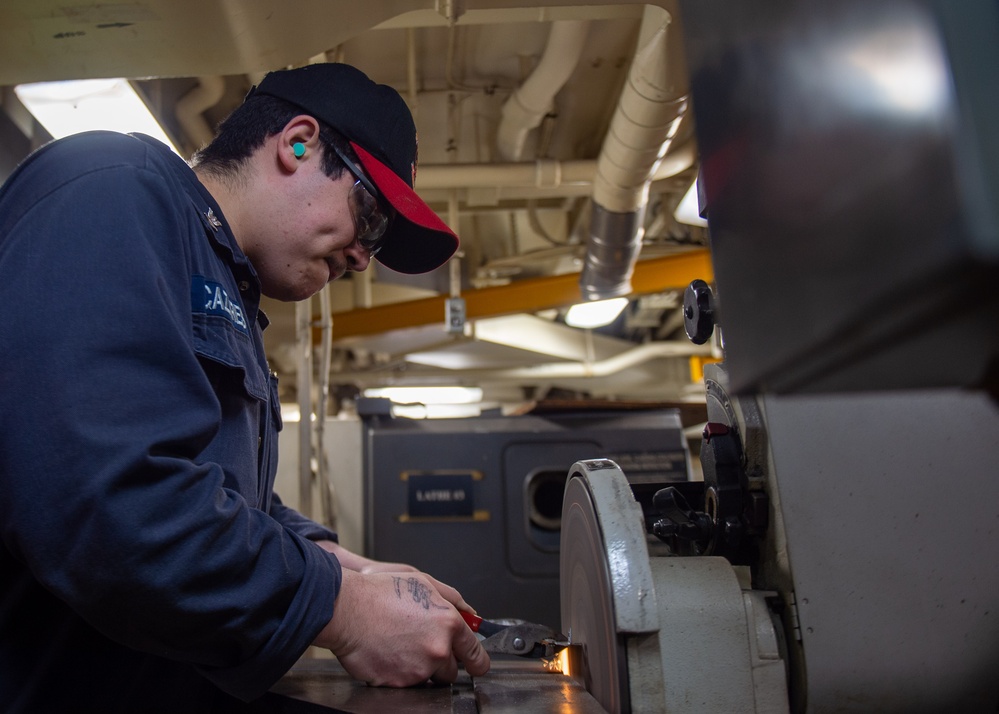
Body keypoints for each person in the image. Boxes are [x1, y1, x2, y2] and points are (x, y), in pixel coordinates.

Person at [0, 62, 490, 712]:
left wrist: (354, 571)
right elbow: (106, 498)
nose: (361, 259)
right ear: (297, 144)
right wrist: (340, 608)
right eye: (370, 219)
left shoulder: (222, 284)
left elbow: (220, 493)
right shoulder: (113, 189)